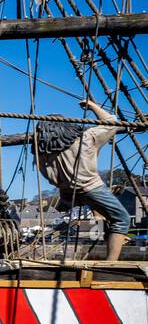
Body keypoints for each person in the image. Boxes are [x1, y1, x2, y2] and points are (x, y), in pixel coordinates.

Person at [36, 99, 132, 261]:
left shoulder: (44, 153)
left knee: (98, 204)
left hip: (67, 195)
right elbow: (111, 122)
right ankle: (111, 263)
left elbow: (49, 177)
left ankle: (99, 215)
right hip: (92, 189)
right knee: (122, 219)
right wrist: (93, 106)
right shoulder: (86, 139)